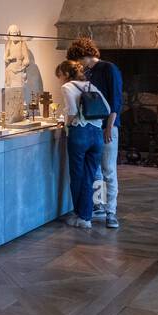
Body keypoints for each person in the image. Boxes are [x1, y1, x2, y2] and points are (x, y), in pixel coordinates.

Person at [66, 37, 123, 228]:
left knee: (108, 169)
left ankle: (111, 212)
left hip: (108, 126)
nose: (77, 65)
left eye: (77, 61)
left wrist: (109, 126)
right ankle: (98, 206)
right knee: (95, 171)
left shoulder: (109, 69)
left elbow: (115, 101)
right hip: (93, 127)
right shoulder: (86, 73)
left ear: (83, 55)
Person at [55, 59, 107, 229]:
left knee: (77, 175)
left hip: (80, 134)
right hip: (97, 134)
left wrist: (67, 124)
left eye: (59, 75)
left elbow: (71, 111)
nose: (59, 79)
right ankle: (86, 215)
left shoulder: (67, 87)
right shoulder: (91, 86)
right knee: (90, 175)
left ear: (65, 74)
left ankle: (81, 216)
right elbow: (106, 107)